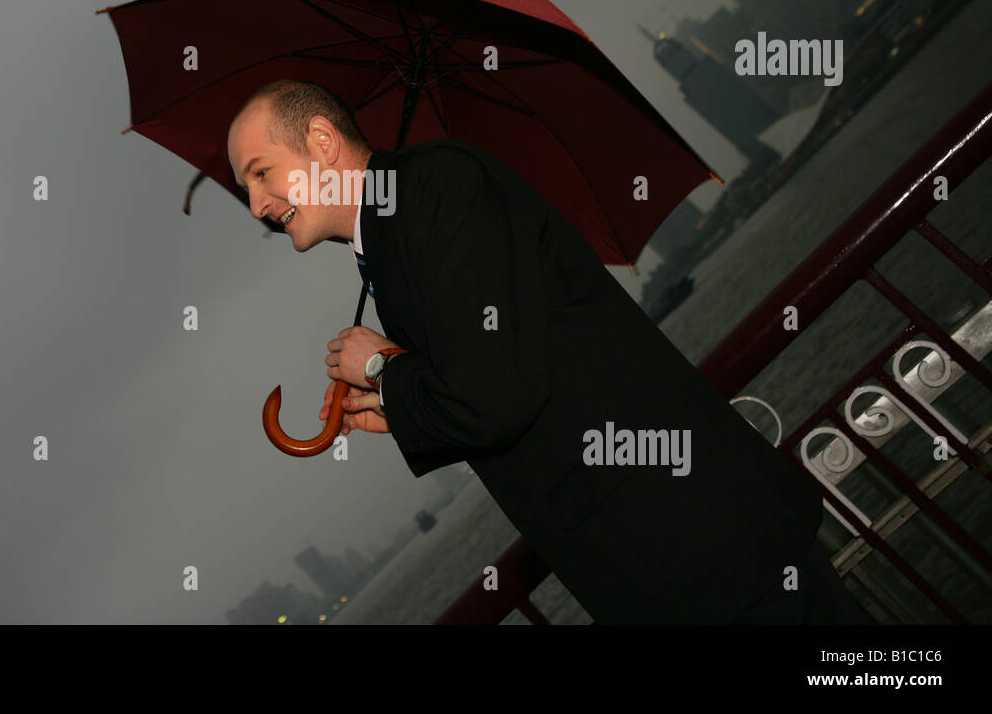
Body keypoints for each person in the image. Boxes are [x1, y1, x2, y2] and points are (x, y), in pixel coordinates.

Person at [227, 78, 874, 624]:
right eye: (247, 188)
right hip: (670, 561)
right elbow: (501, 376)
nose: (257, 204)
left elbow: (493, 395)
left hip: (705, 548)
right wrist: (399, 398)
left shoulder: (441, 190)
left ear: (320, 142)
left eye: (262, 174)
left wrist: (379, 368)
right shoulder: (398, 235)